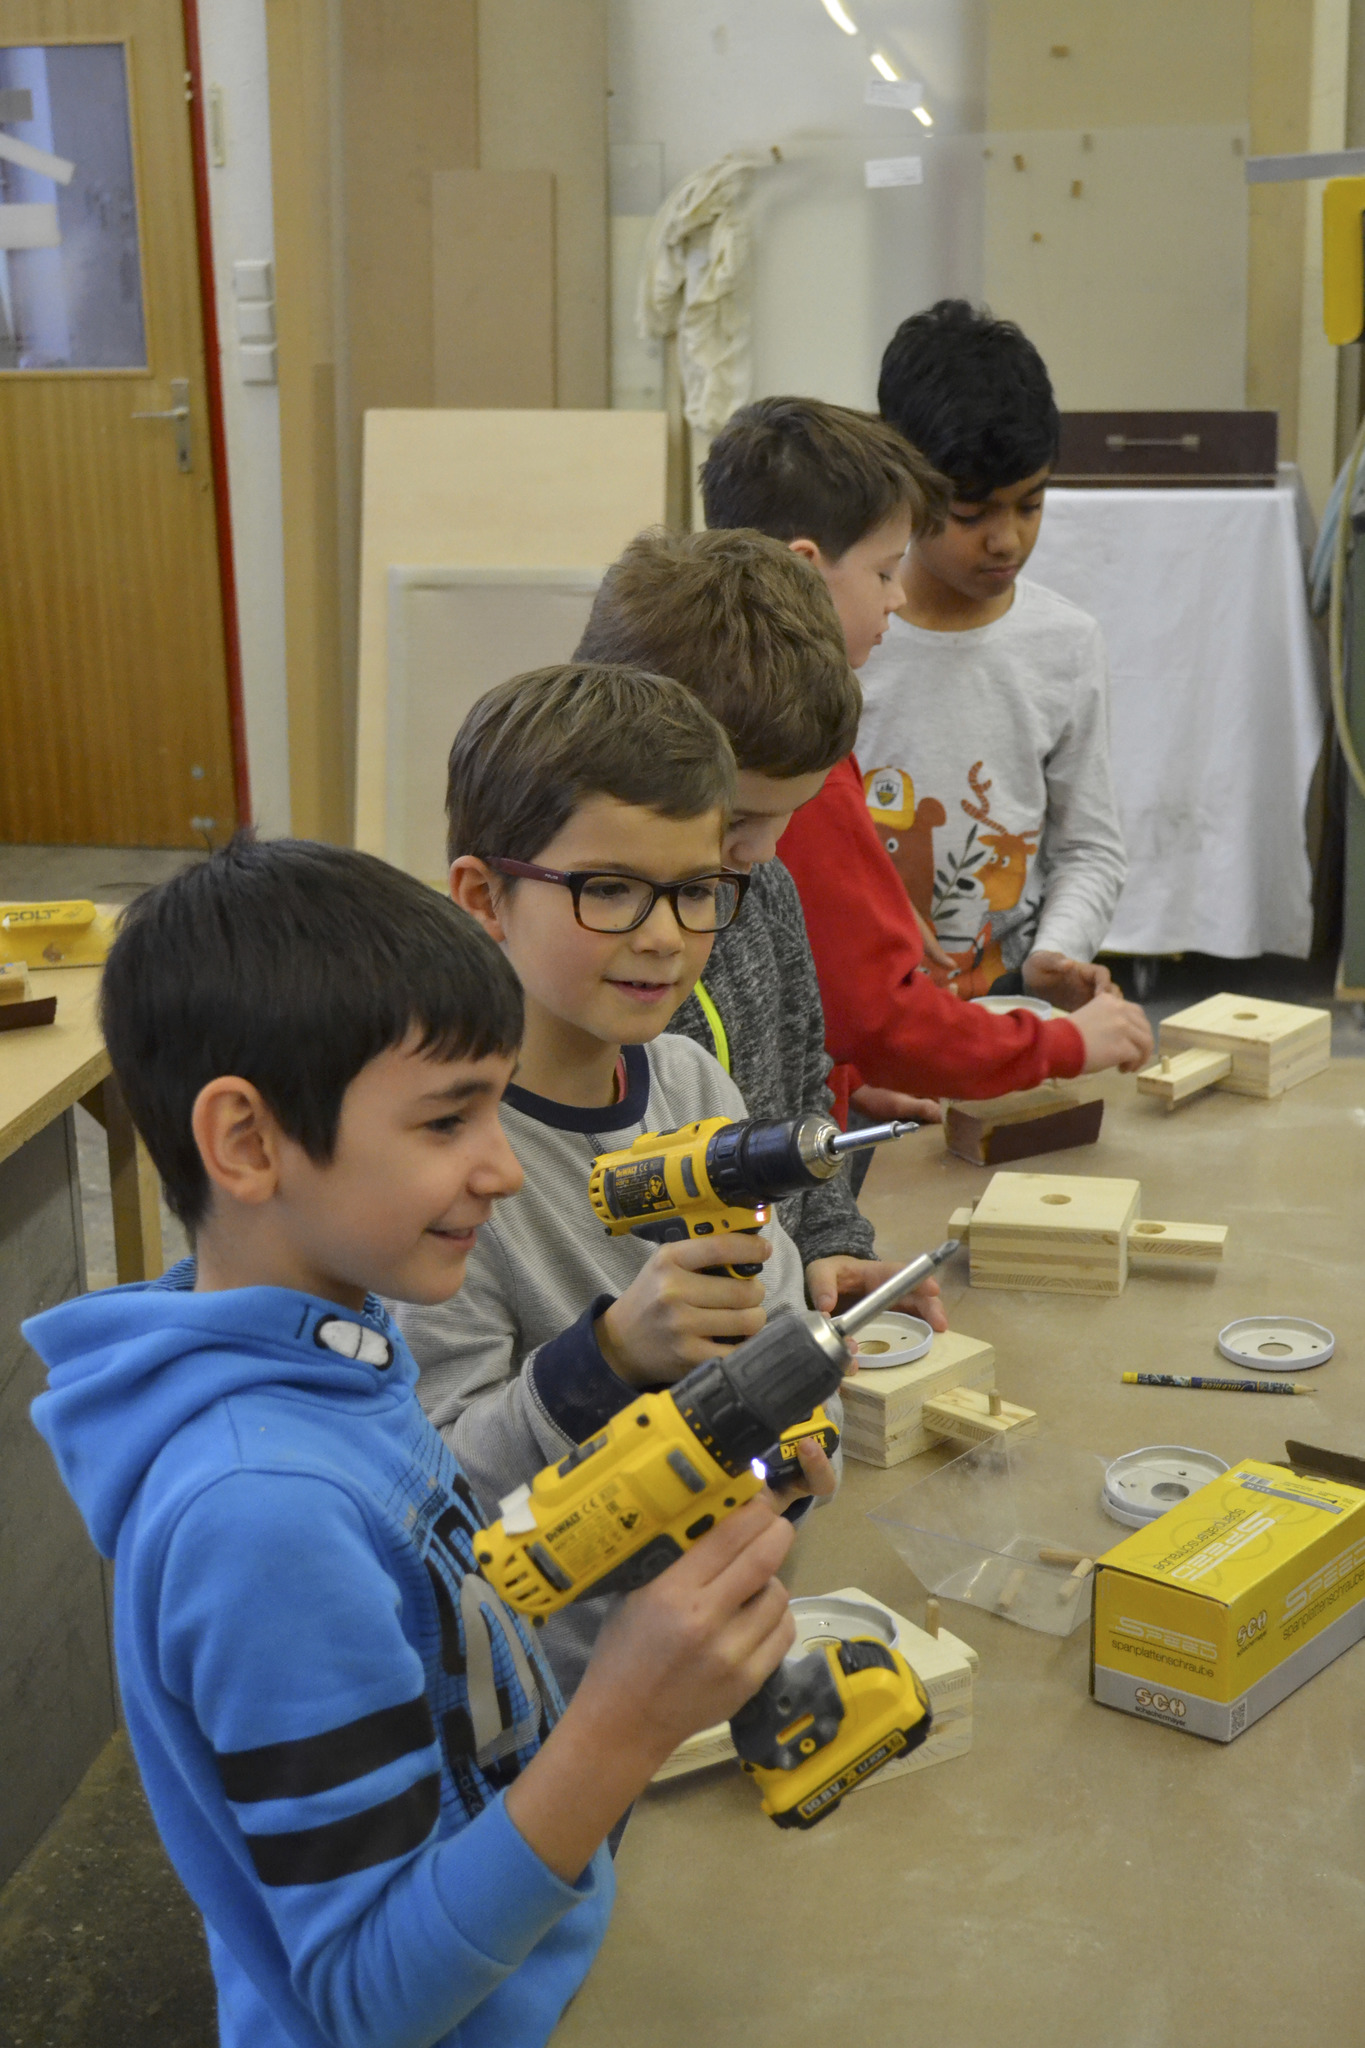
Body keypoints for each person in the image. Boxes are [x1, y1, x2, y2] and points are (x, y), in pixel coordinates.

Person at [26, 836, 799, 2048]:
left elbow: (440, 1605)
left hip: (530, 1952)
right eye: (447, 1119)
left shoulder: (338, 1338)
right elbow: (360, 1999)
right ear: (245, 1142)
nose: (499, 1167)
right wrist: (623, 1721)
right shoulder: (260, 1513)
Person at [396, 663, 837, 1703]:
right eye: (608, 888)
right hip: (548, 1701)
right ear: (481, 895)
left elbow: (779, 1366)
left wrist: (788, 1457)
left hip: (716, 1638)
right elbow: (442, 1496)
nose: (664, 934)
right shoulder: (442, 1167)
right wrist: (604, 1357)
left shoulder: (693, 1085)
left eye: (695, 889)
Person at [700, 393, 1152, 1120]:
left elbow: (809, 997)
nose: (898, 596)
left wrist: (836, 1076)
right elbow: (876, 1016)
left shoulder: (780, 699)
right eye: (884, 573)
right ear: (806, 570)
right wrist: (1063, 1044)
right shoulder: (781, 742)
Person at [572, 527, 956, 1297]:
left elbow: (798, 1086)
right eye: (739, 819)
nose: (763, 851)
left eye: (791, 814)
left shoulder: (762, 888)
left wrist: (826, 1240)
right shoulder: (579, 951)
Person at [863, 299, 1134, 1012]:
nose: (1006, 539)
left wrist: (1056, 954)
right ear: (901, 478)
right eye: (970, 513)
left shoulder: (1064, 644)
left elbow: (1089, 848)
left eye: (1030, 504)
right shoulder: (851, 642)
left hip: (1007, 999)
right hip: (866, 1009)